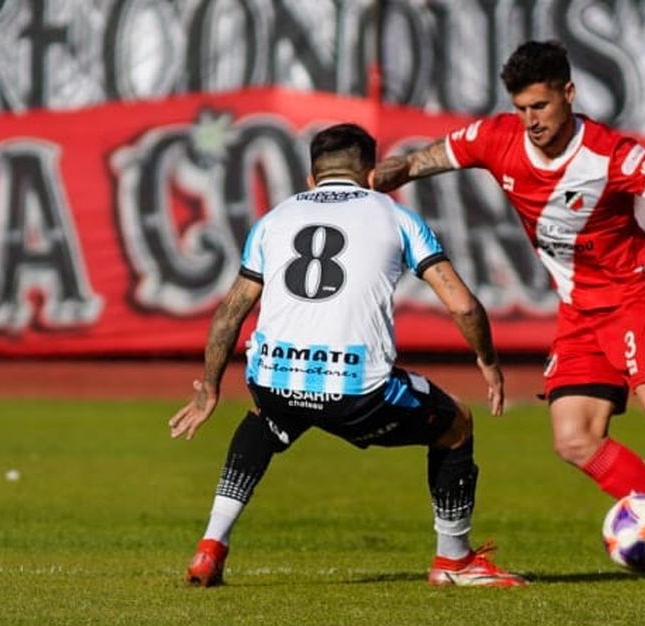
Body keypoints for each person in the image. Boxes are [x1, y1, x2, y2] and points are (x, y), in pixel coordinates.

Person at [374, 40, 645, 575]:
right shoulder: (496, 137)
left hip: (636, 297)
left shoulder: (611, 154)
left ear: (569, 94)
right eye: (521, 108)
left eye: (540, 106)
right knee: (574, 437)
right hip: (579, 311)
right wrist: (378, 177)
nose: (530, 120)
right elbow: (419, 161)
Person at [169, 123, 525, 588]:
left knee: (265, 415)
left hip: (274, 376)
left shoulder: (274, 218)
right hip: (356, 389)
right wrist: (489, 361)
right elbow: (462, 304)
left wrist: (210, 389)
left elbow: (228, 315)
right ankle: (454, 561)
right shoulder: (395, 216)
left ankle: (210, 546)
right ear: (373, 174)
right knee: (456, 424)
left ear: (312, 178)